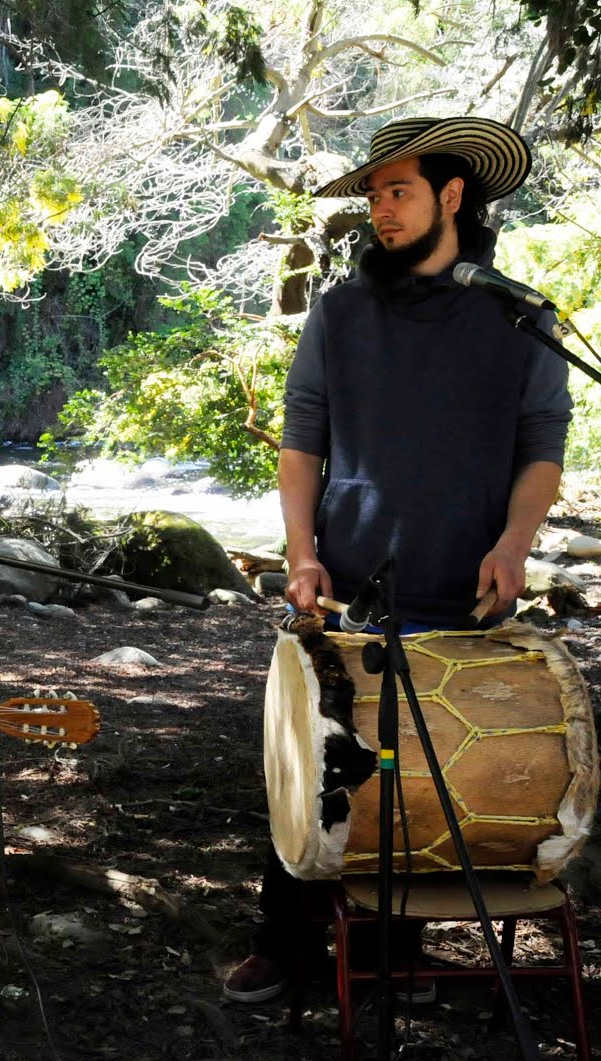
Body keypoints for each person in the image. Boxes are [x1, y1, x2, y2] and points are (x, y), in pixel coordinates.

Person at [223, 116, 572, 1004]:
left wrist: (514, 542)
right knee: (318, 753)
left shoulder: (520, 316)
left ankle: (389, 945)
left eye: (398, 191)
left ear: (453, 196)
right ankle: (284, 938)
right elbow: (302, 441)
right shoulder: (340, 312)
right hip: (348, 590)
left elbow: (541, 445)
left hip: (466, 589)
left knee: (418, 769)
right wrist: (303, 554)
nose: (379, 209)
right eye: (374, 194)